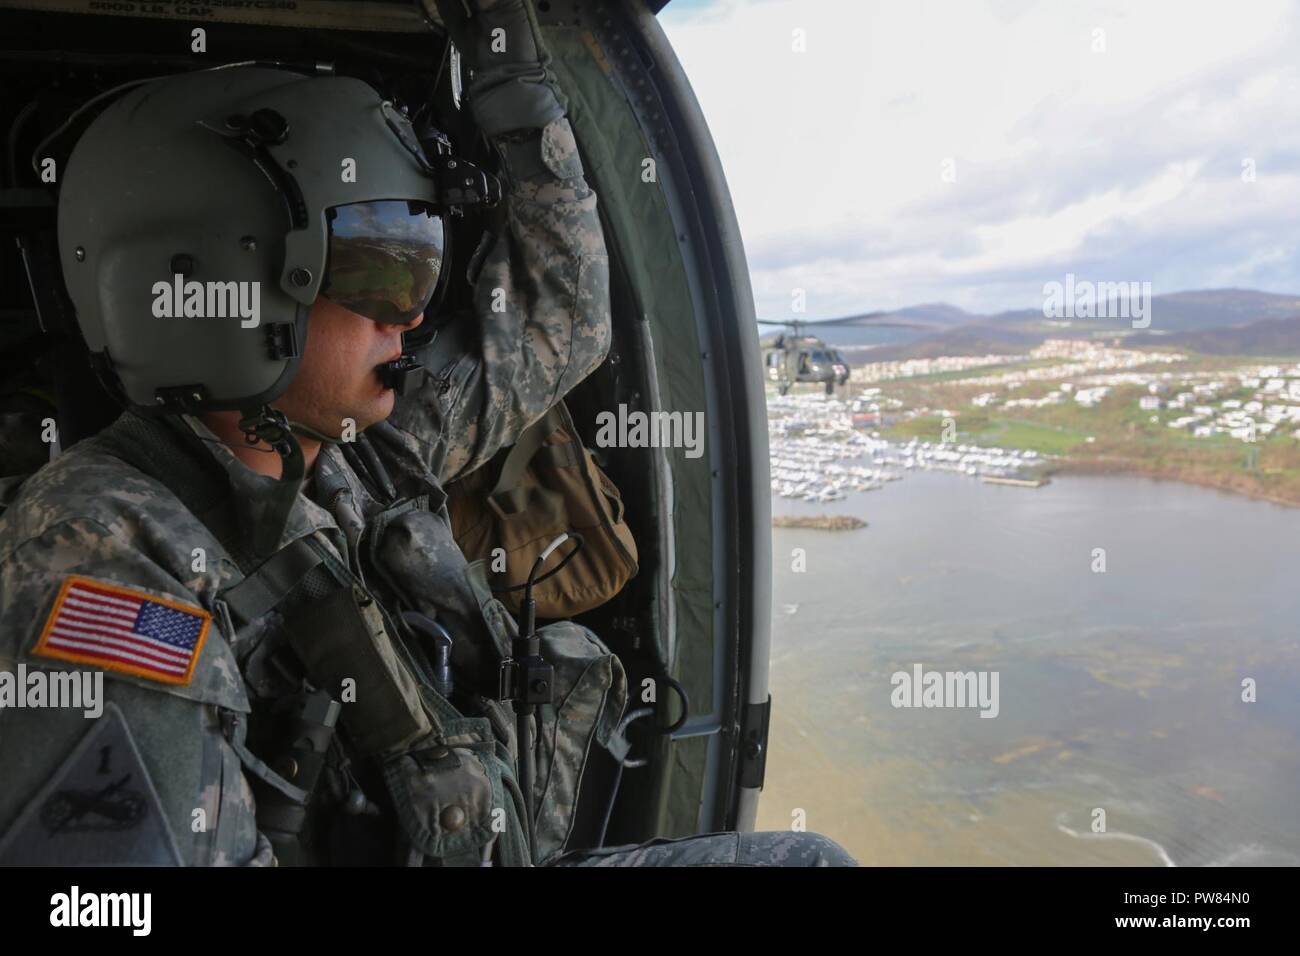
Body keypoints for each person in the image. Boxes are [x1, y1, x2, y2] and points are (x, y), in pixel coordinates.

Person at [0, 0, 856, 868]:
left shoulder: (352, 455)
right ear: (214, 281)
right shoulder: (100, 551)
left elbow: (557, 320)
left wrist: (514, 90)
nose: (413, 313)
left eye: (422, 255)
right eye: (379, 265)